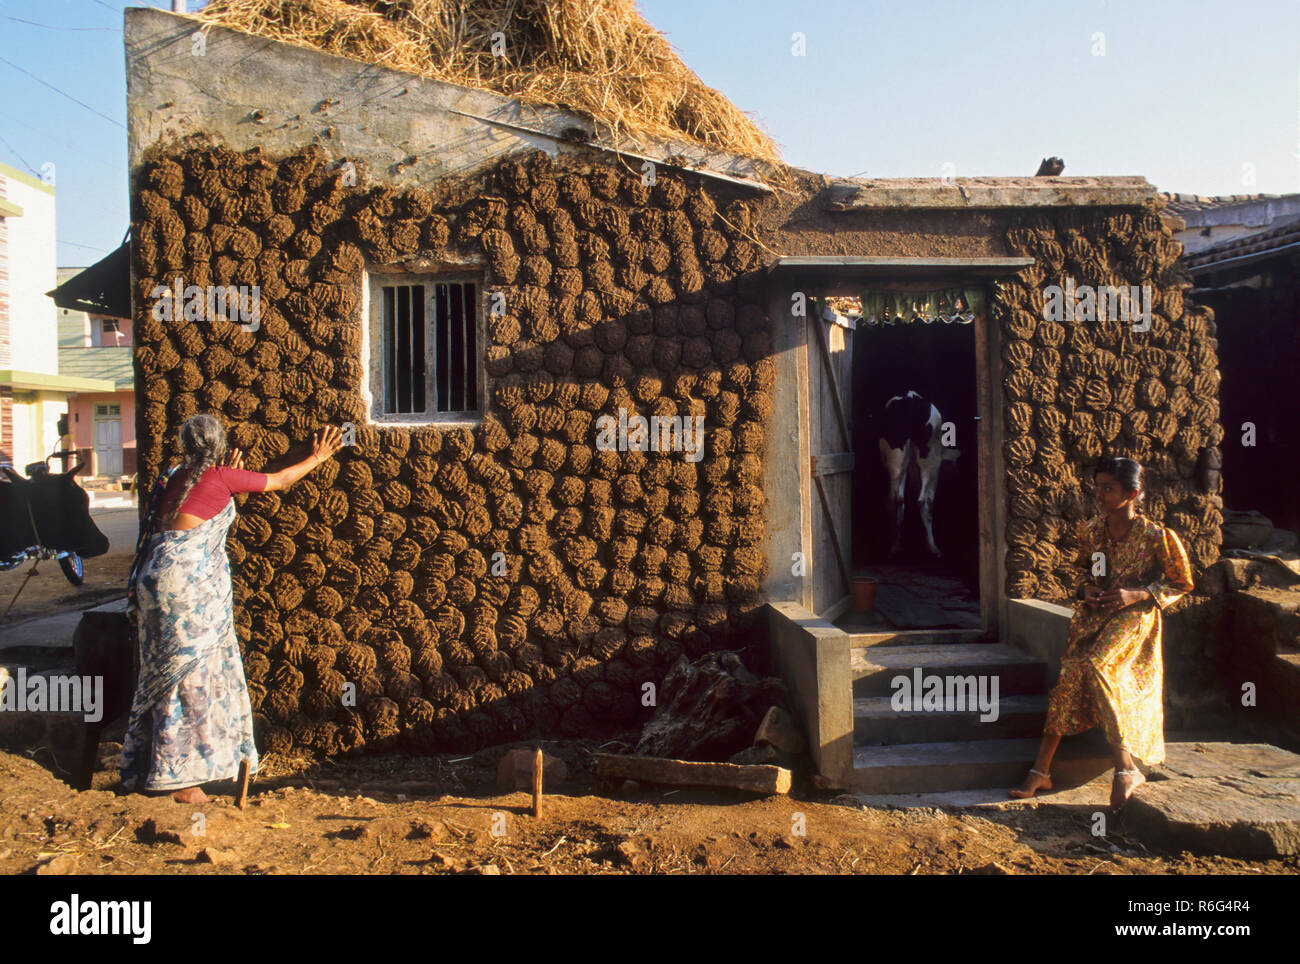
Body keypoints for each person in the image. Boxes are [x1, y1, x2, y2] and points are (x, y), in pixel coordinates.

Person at [121, 414, 343, 803]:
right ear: (219, 445)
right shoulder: (221, 476)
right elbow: (280, 480)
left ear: (185, 445)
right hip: (186, 585)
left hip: (153, 580)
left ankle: (148, 765)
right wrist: (318, 457)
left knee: (163, 671)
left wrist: (229, 483)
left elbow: (198, 511)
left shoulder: (173, 478)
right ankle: (182, 781)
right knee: (191, 674)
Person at [1009, 456, 1195, 812]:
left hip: (1134, 618)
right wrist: (1085, 592)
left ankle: (1126, 768)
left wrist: (1138, 594)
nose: (1099, 494)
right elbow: (1089, 573)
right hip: (1094, 618)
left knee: (1098, 666)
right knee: (1070, 676)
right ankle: (1041, 770)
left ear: (1132, 493)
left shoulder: (1156, 536)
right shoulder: (1092, 531)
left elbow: (1182, 582)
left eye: (1108, 488)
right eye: (1097, 486)